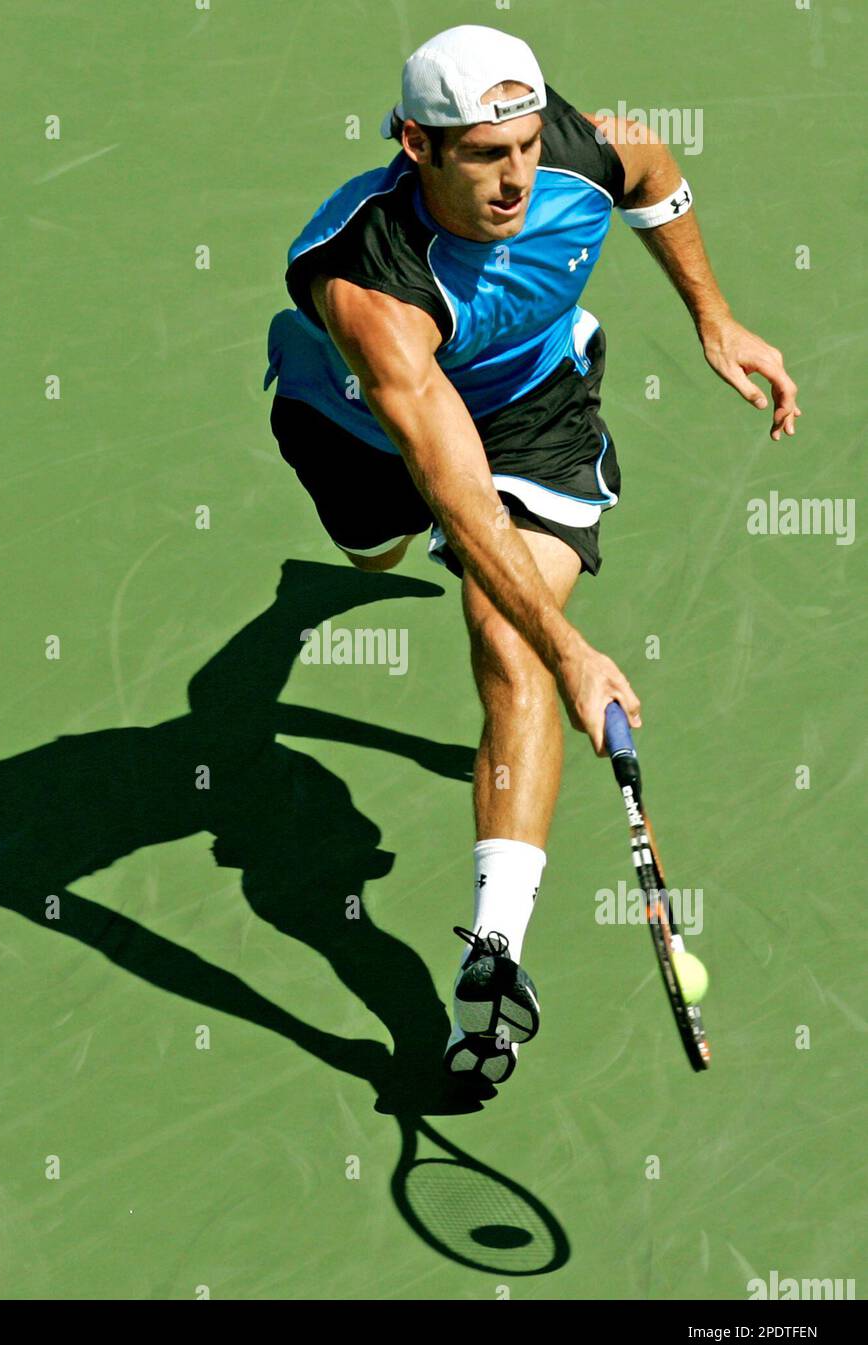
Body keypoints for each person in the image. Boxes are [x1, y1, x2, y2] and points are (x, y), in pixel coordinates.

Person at [263, 24, 799, 1086]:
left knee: (502, 639)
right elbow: (457, 499)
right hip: (372, 425)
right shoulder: (373, 288)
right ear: (414, 144)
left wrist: (713, 317)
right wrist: (574, 650)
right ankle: (306, 598)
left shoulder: (573, 148)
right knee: (381, 554)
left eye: (522, 143)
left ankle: (492, 954)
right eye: (481, 155)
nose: (515, 176)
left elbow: (651, 172)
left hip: (533, 410)